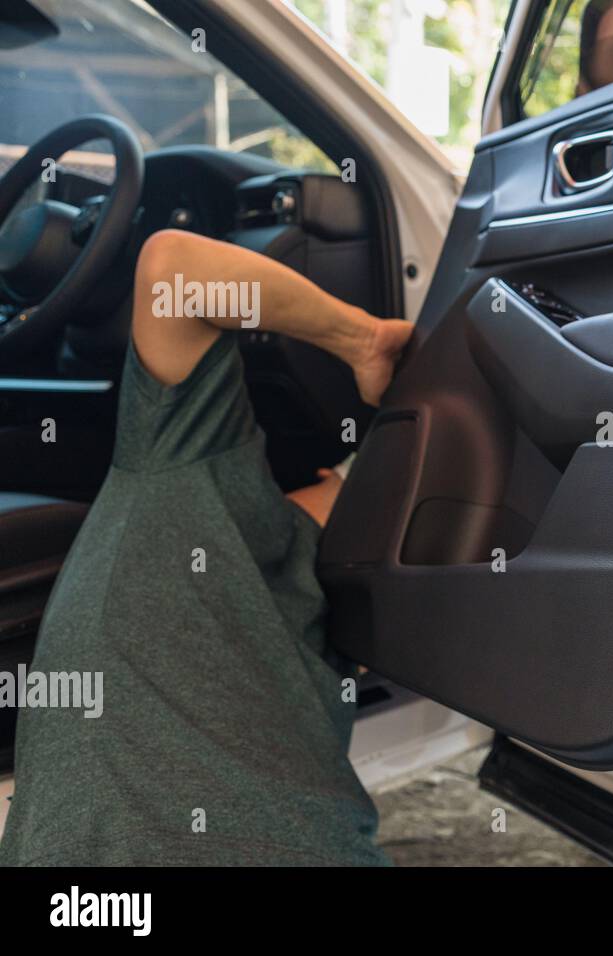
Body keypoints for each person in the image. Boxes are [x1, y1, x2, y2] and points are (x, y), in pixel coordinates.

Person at [0, 230, 411, 866]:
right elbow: (173, 269)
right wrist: (364, 341)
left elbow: (175, 274)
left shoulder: (174, 471)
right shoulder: (177, 465)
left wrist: (357, 340)